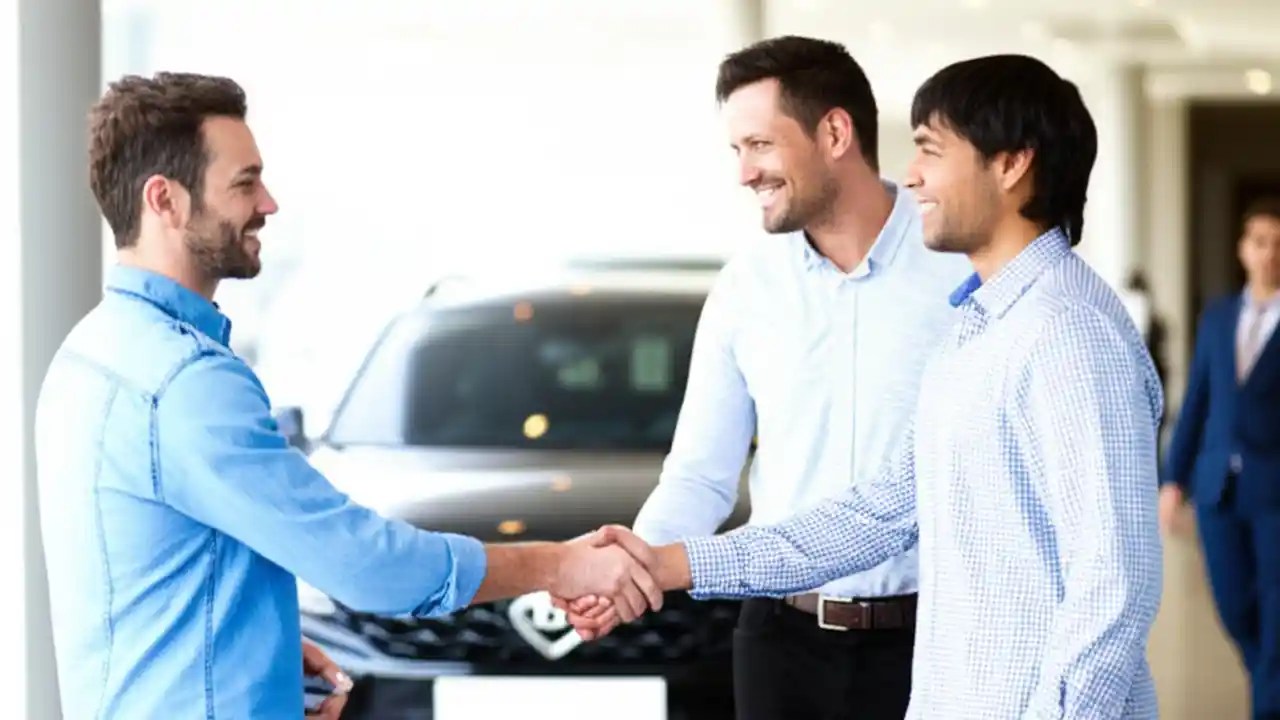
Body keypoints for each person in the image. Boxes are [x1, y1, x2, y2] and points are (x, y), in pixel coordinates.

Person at [32, 72, 663, 720]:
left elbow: (143, 571)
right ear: (165, 200)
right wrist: (556, 564)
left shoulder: (88, 357)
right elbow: (370, 567)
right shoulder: (187, 384)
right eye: (244, 183)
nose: (268, 203)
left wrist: (257, 650)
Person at [565, 53, 1165, 719]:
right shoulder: (979, 325)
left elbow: (1115, 585)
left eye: (931, 151)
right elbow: (877, 513)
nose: (911, 175)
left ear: (1010, 163)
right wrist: (666, 563)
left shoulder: (1070, 335)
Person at [594, 35, 969, 720]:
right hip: (781, 644)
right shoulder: (745, 289)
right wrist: (634, 569)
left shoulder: (960, 267)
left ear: (834, 132)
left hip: (940, 639)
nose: (744, 173)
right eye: (737, 151)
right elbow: (700, 476)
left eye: (760, 145)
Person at [1161, 198, 1280, 720]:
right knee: (1235, 608)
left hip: (1276, 493)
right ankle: (1270, 682)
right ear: (1242, 249)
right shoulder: (1219, 316)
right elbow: (1197, 403)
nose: (1269, 254)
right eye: (1260, 242)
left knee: (1278, 614)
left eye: (1279, 245)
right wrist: (1173, 479)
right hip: (1216, 490)